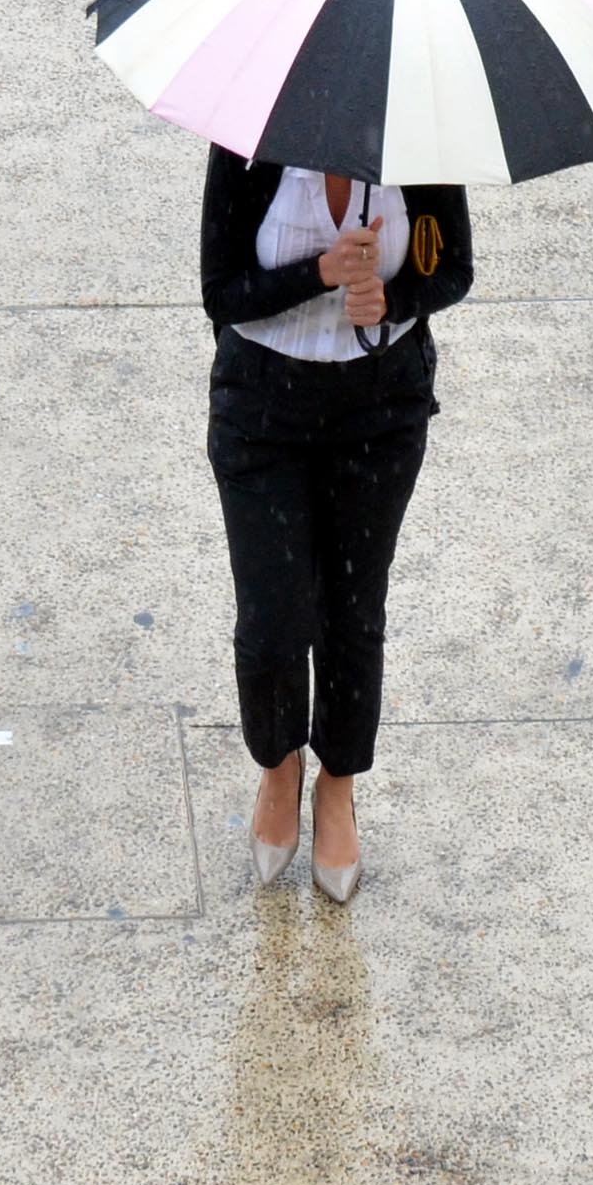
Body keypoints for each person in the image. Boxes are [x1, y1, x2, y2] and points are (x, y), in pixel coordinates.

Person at [202, 151, 472, 902]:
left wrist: (390, 298)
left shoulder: (419, 142)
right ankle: (278, 765)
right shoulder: (248, 144)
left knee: (353, 617)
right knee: (271, 618)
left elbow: (452, 270)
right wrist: (315, 274)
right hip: (262, 414)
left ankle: (337, 785)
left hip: (379, 413)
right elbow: (219, 292)